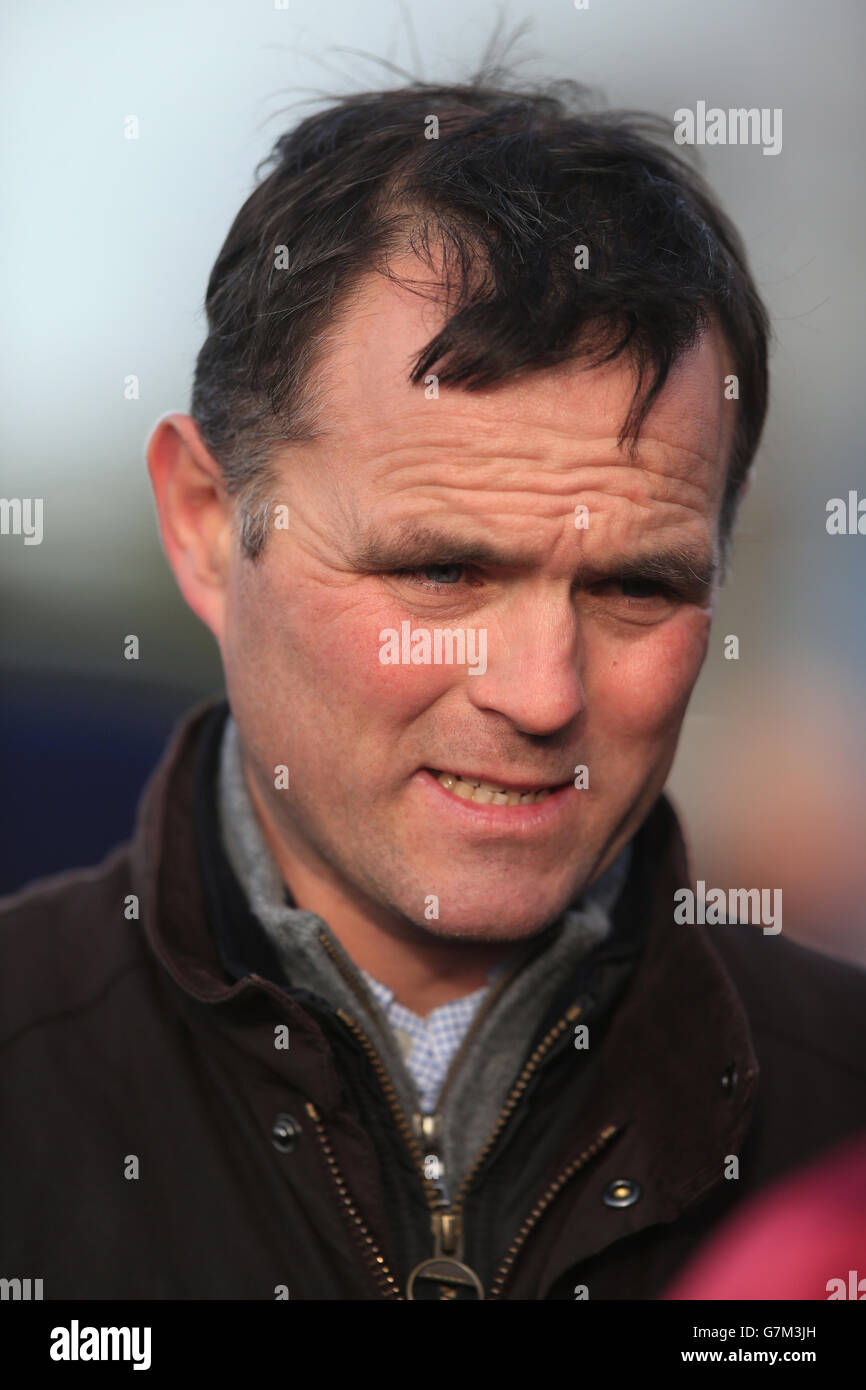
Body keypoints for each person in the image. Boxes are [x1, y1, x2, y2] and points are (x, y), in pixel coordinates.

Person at [1, 71, 863, 1302]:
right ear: (204, 524)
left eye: (635, 588)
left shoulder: (840, 1137)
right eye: (440, 568)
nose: (538, 690)